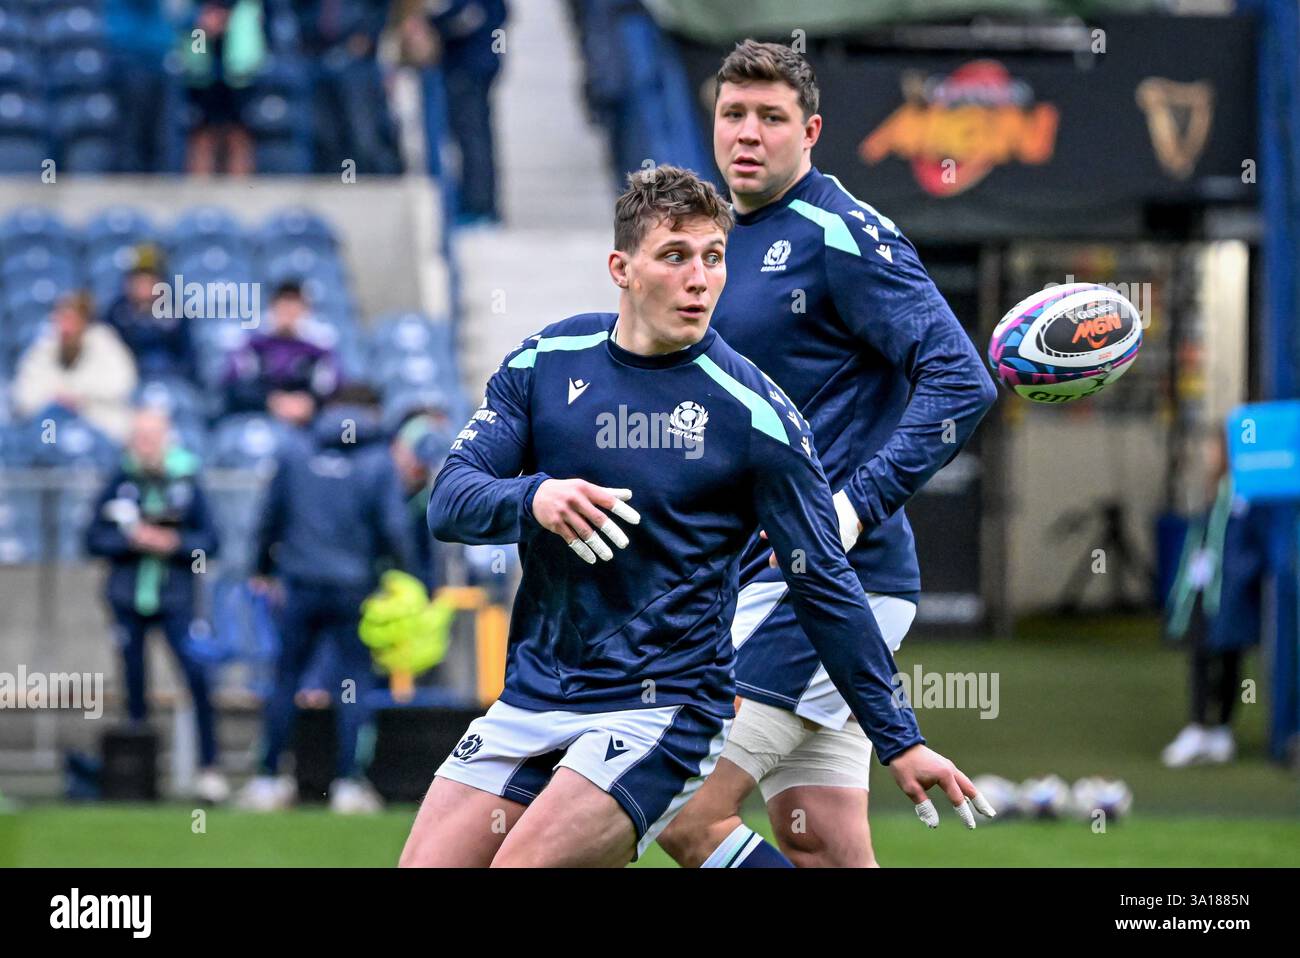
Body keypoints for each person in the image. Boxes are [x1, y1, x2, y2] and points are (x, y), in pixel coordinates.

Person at [399, 165, 992, 869]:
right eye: (675, 256)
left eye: (714, 257)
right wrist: (533, 498)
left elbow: (823, 580)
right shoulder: (547, 361)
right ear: (621, 267)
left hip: (662, 708)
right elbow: (450, 500)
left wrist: (899, 738)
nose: (700, 277)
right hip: (534, 692)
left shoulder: (757, 416)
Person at [657, 40, 998, 869]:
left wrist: (847, 508)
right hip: (763, 576)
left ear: (810, 131)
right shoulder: (720, 244)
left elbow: (963, 383)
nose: (747, 132)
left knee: (680, 813)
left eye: (770, 118)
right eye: (732, 114)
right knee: (822, 850)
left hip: (827, 580)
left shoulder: (842, 233)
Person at [237, 384, 417, 813]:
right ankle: (347, 784)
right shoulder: (377, 462)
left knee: (285, 680)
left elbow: (268, 518)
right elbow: (395, 528)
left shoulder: (294, 451)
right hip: (354, 590)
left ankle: (267, 779)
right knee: (353, 685)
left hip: (298, 584)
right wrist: (403, 576)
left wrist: (260, 569)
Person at [85, 406, 227, 802]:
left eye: (153, 436)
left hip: (176, 597)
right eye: (139, 436)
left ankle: (209, 769)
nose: (145, 444)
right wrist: (131, 541)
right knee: (133, 685)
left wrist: (173, 544)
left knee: (197, 677)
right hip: (128, 598)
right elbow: (93, 538)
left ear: (167, 438)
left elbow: (211, 541)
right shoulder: (120, 481)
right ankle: (138, 778)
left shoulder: (186, 481)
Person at [1161, 428, 1269, 767]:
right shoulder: (1213, 489)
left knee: (1229, 657)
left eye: (1214, 447)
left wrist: (1239, 575)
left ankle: (1220, 729)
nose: (1209, 453)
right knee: (1201, 653)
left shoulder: (1247, 491)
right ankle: (1198, 727)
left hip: (1231, 591)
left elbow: (1249, 542)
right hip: (1205, 589)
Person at [13, 292, 139, 444]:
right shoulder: (45, 344)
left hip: (98, 421)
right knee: (41, 433)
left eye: (71, 320)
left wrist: (78, 395)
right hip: (54, 423)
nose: (65, 327)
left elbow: (122, 384)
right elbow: (24, 395)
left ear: (83, 322)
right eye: (60, 319)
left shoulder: (104, 341)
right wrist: (57, 397)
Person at [222, 281, 341, 424]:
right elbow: (234, 386)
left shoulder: (320, 348)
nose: (289, 314)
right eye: (284, 306)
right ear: (273, 308)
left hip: (309, 421)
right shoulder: (253, 344)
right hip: (260, 415)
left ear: (306, 311)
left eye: (295, 307)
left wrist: (310, 402)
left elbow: (333, 388)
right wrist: (270, 402)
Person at [181, 0, 265, 174]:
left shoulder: (246, 8)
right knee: (201, 133)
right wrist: (202, 24)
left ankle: (240, 190)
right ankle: (197, 190)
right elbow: (183, 22)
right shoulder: (194, 7)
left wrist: (226, 20)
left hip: (240, 73)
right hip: (202, 72)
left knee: (239, 134)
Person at [102, 247, 198, 383]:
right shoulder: (116, 313)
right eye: (138, 280)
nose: (143, 286)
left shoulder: (176, 312)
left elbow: (188, 358)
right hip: (127, 381)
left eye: (149, 280)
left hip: (170, 380)